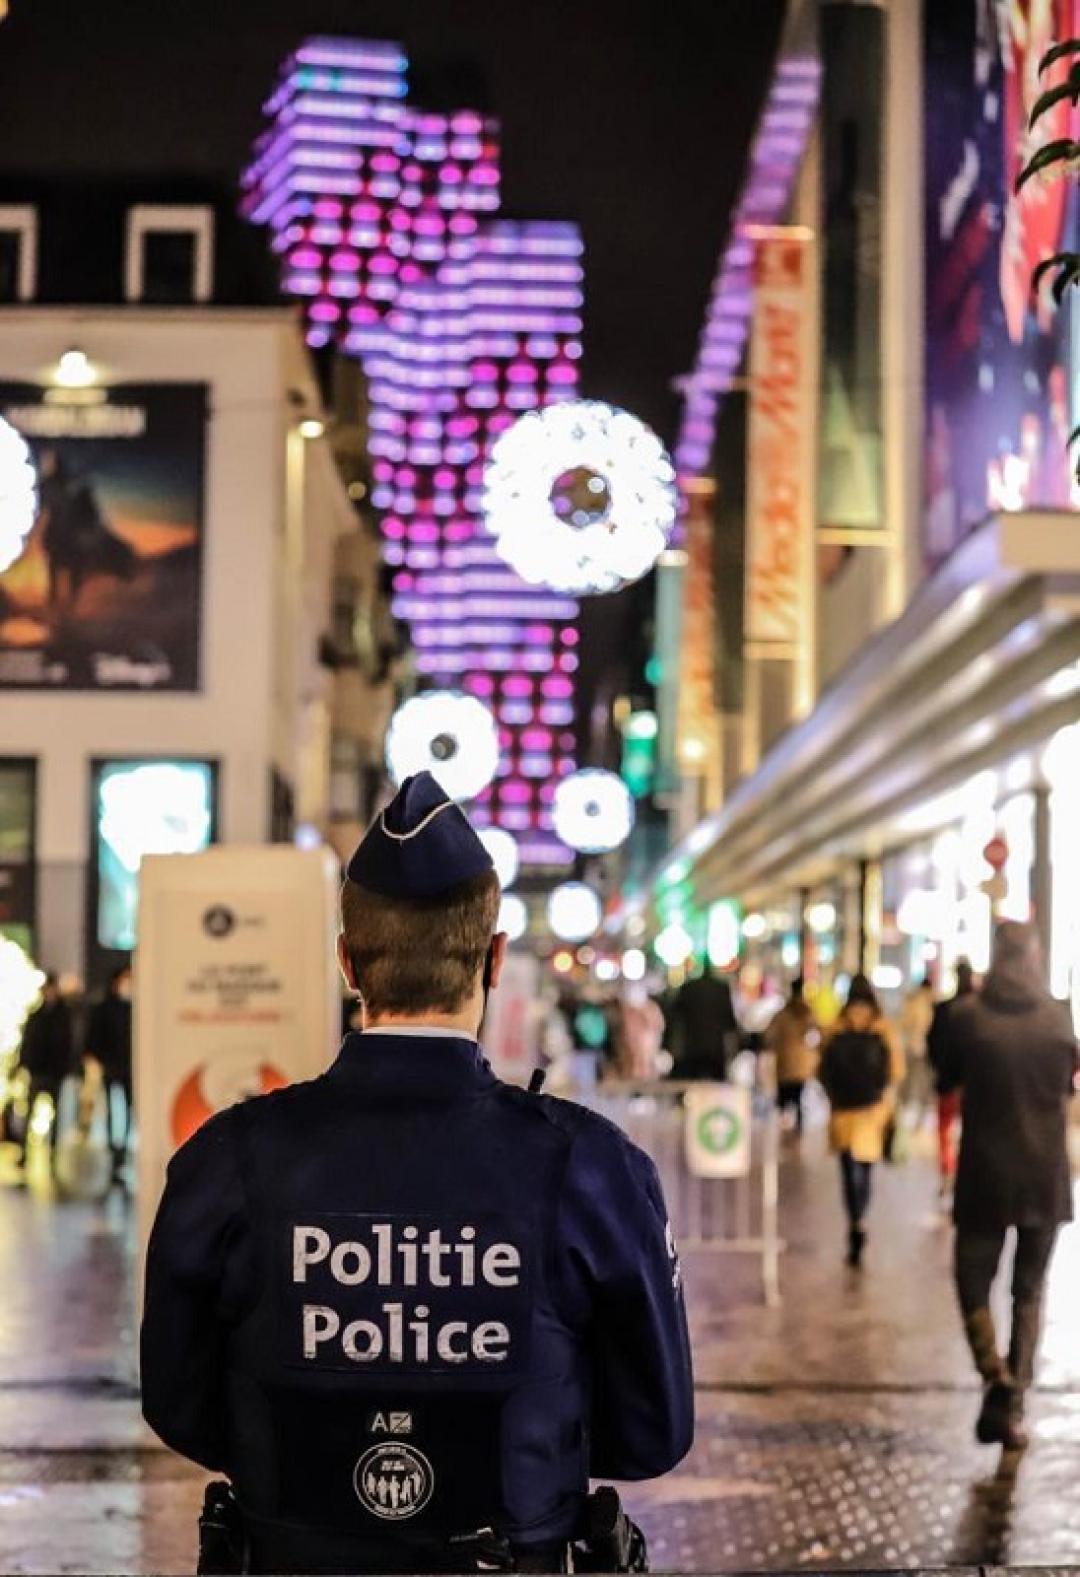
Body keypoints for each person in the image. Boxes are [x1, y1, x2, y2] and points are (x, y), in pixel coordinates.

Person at [141, 772, 693, 1574]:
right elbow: (653, 1430)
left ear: (346, 962)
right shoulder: (590, 1167)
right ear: (495, 958)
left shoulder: (228, 1159)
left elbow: (180, 1403)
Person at [937, 922, 1077, 1451]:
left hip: (985, 1174)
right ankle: (1015, 1403)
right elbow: (1066, 1083)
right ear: (1036, 955)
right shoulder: (1058, 1016)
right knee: (1029, 1291)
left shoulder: (968, 1016)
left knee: (972, 1279)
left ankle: (993, 1372)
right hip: (1045, 1176)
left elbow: (945, 1077)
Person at [819, 975, 904, 1269]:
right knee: (865, 1171)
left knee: (847, 1171)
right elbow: (896, 1071)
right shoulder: (882, 1028)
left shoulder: (835, 1027)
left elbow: (822, 1069)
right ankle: (861, 1218)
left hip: (843, 1111)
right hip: (872, 1112)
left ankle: (854, 1219)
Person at [14, 973, 74, 1177]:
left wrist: (67, 1069)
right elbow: (28, 1043)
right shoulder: (36, 1016)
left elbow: (68, 1045)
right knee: (29, 1114)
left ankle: (52, 1155)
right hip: (38, 1072)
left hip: (54, 1073)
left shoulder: (64, 1017)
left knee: (56, 1119)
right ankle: (25, 1155)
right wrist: (24, 1065)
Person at [926, 958, 975, 1202]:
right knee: (971, 1132)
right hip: (974, 1086)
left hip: (948, 1082)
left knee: (945, 1131)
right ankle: (964, 1177)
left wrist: (941, 1068)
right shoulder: (981, 1011)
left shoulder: (944, 1009)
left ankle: (948, 1175)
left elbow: (932, 1044)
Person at [85, 962, 133, 1181]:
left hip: (130, 1070)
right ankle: (114, 1153)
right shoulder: (103, 1009)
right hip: (111, 1068)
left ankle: (122, 1153)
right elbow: (93, 1039)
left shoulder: (136, 1009)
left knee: (130, 1111)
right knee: (112, 1112)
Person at [666, 963, 739, 1081]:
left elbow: (675, 1016)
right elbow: (730, 1022)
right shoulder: (722, 989)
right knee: (715, 1088)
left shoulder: (688, 988)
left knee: (689, 1087)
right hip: (715, 1050)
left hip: (692, 1048)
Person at [764, 977, 819, 1135]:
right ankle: (797, 1133)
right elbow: (816, 1037)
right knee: (798, 1099)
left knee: (783, 1100)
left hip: (784, 1065)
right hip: (803, 1066)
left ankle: (783, 1135)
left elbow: (769, 1036)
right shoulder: (808, 1015)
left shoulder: (782, 1015)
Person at [899, 974, 936, 1123]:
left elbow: (904, 1023)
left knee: (909, 1081)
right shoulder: (928, 1004)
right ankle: (918, 1112)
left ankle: (906, 1108)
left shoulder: (913, 1001)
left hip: (910, 1047)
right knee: (922, 1082)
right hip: (922, 1049)